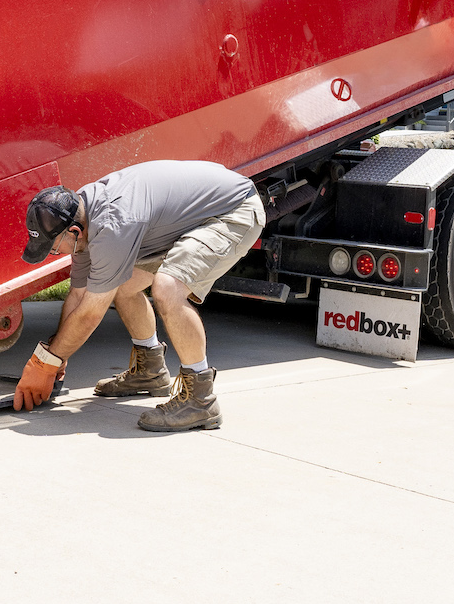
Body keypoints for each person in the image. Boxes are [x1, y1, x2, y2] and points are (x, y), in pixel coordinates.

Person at [14, 160, 266, 430]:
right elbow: (78, 296)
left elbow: (89, 313)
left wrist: (46, 365)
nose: (56, 254)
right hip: (191, 216)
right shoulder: (82, 212)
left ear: (74, 232)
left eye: (53, 249)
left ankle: (201, 401)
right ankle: (150, 372)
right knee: (123, 286)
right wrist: (56, 355)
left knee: (168, 288)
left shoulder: (111, 226)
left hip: (232, 210)